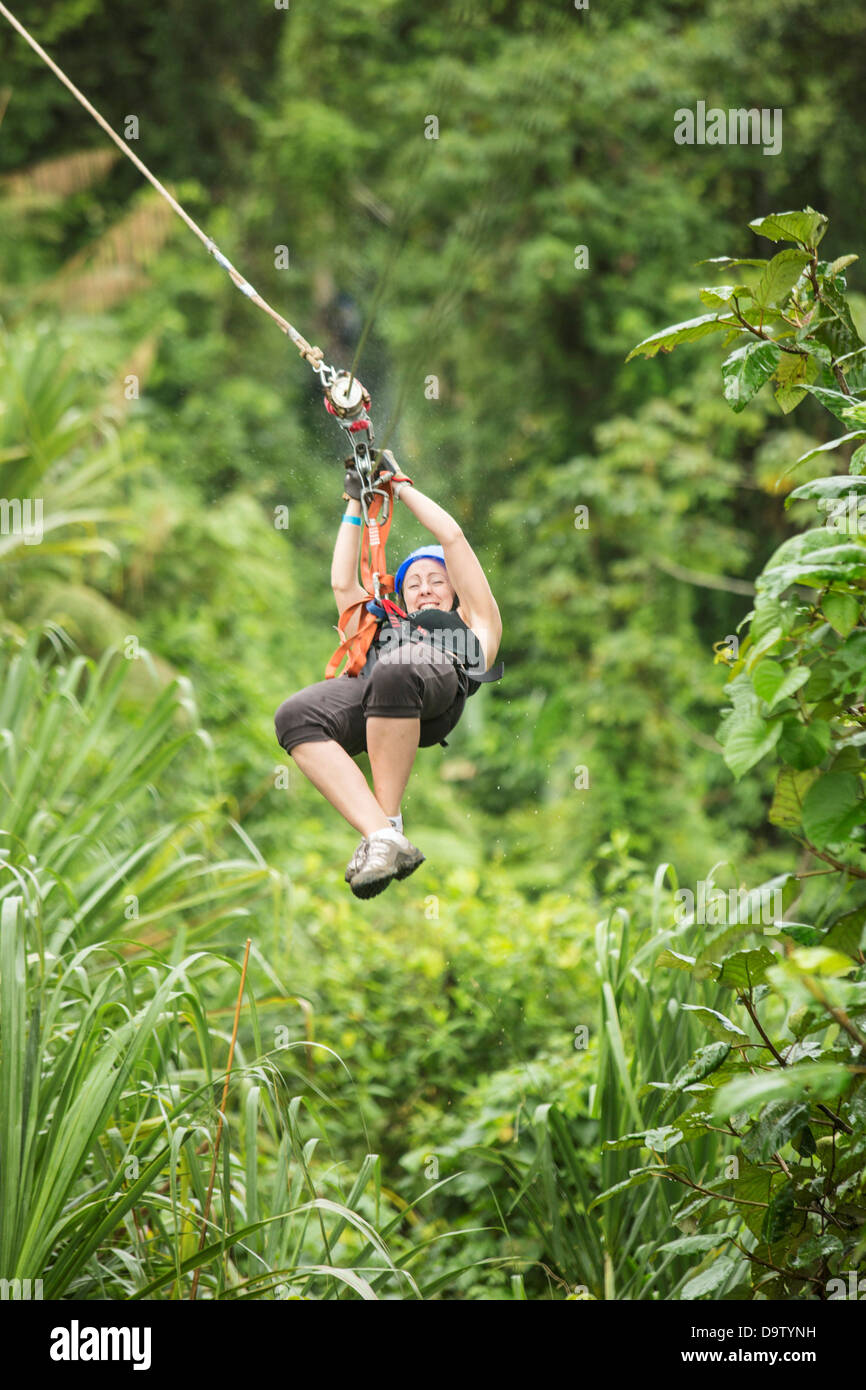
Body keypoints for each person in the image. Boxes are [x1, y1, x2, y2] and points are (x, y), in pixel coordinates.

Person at [274, 450, 503, 899]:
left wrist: (399, 485)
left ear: (455, 591)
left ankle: (389, 818)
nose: (424, 588)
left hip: (435, 691)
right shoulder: (384, 625)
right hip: (379, 695)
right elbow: (343, 584)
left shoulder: (477, 621)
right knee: (294, 715)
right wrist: (355, 498)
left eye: (436, 581)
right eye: (413, 583)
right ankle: (380, 835)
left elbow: (452, 537)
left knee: (396, 670)